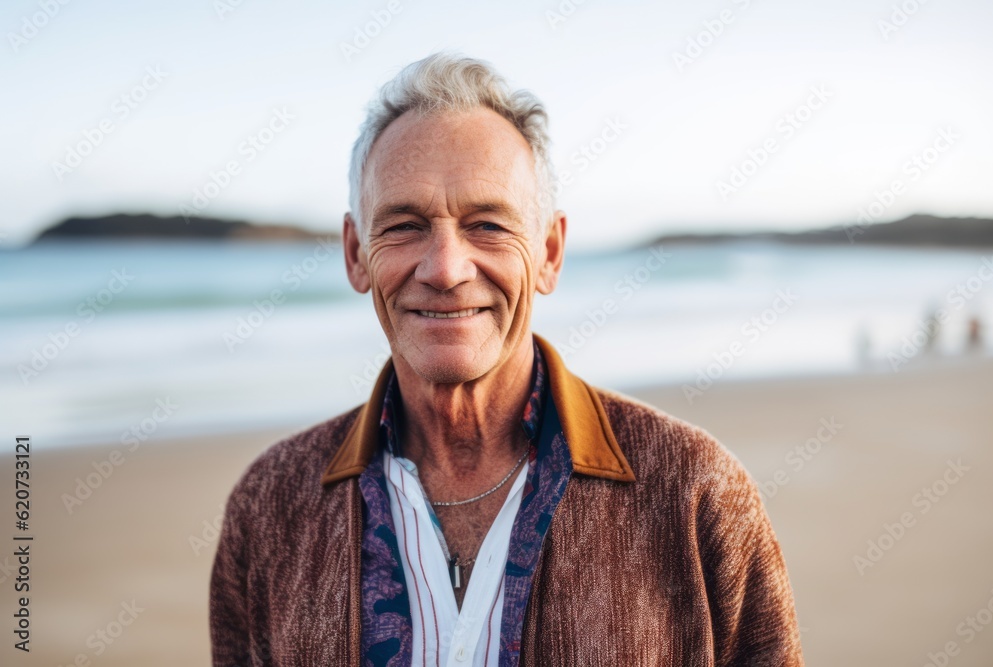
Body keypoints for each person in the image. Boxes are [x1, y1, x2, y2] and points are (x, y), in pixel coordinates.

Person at [209, 52, 804, 666]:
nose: (444, 268)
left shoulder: (694, 492)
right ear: (357, 254)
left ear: (548, 251)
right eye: (406, 225)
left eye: (488, 224)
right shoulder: (271, 506)